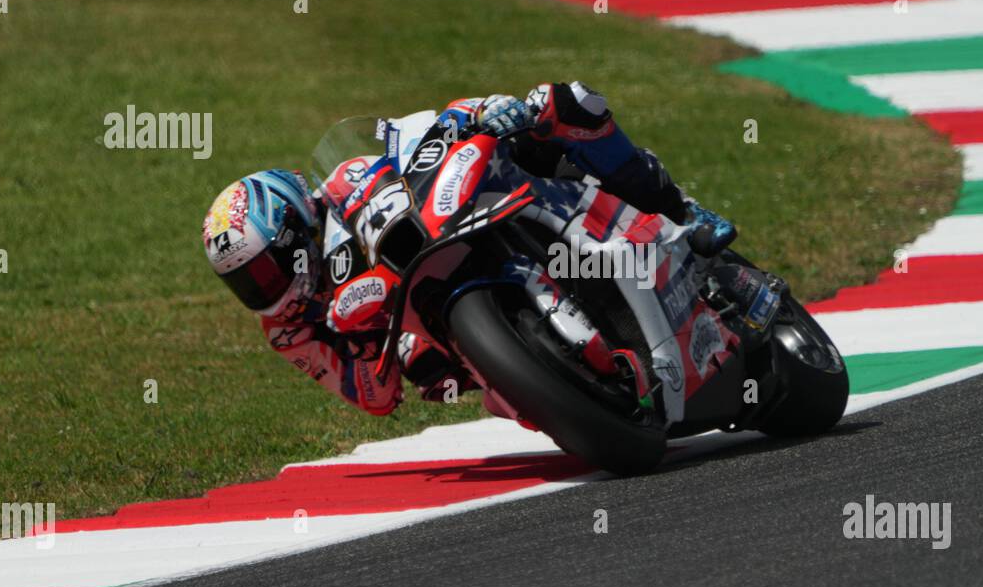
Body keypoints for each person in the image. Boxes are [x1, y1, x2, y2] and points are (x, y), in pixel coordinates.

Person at [201, 82, 737, 416]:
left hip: (459, 212)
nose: (263, 289)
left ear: (295, 231)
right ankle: (561, 381)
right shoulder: (288, 328)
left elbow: (419, 132)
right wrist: (364, 347)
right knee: (421, 362)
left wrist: (480, 115)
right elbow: (374, 397)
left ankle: (683, 212)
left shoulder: (347, 178)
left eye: (266, 270)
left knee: (564, 103)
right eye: (246, 283)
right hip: (439, 330)